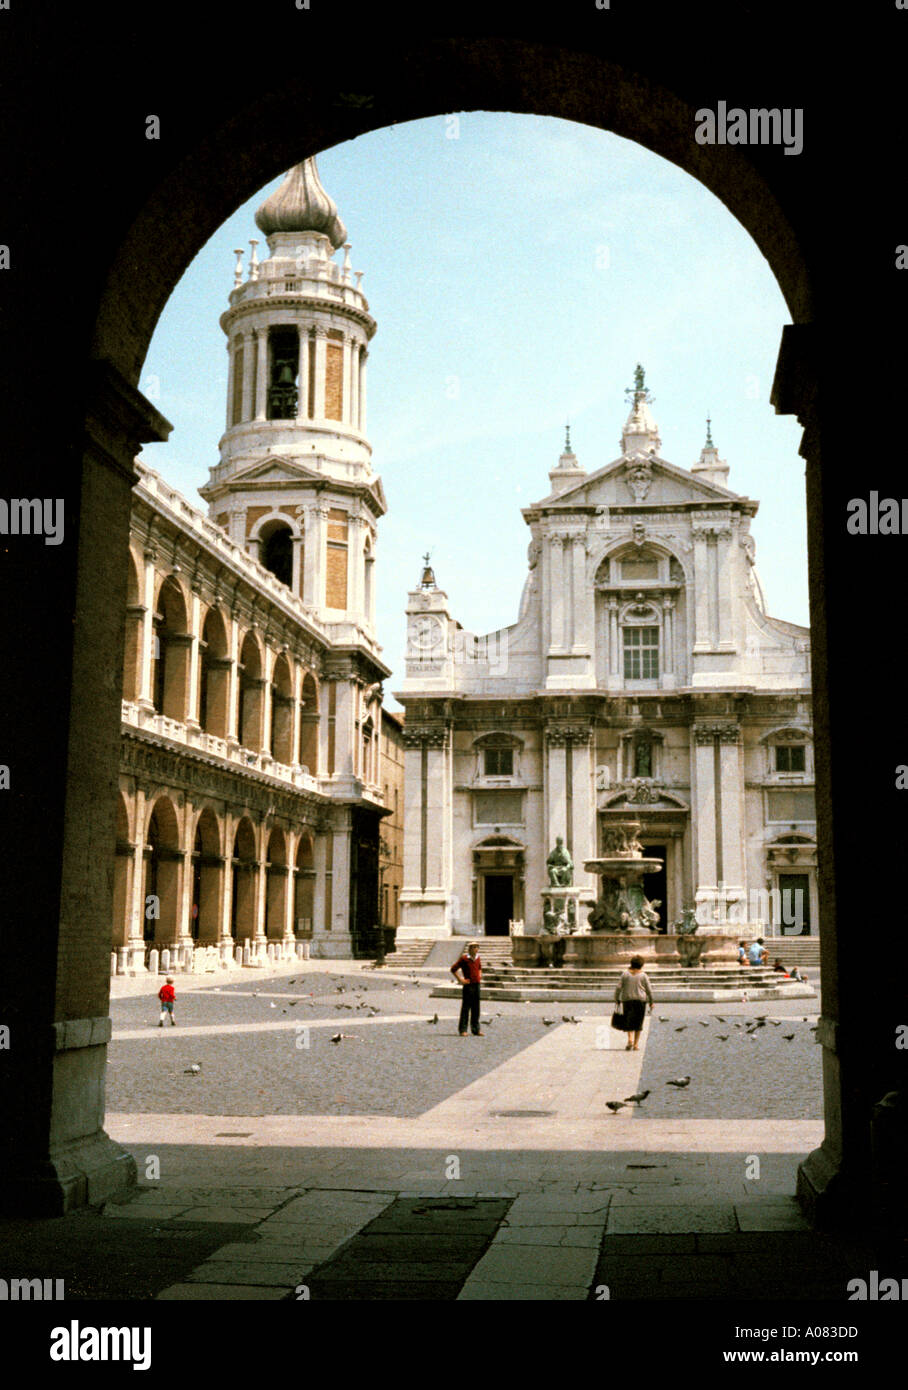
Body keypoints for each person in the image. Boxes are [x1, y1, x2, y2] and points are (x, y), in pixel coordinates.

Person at [614, 954, 654, 1052]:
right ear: (641, 965)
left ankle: (630, 1040)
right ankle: (636, 1044)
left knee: (628, 1021)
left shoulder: (625, 974)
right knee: (638, 1022)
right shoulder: (643, 975)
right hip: (640, 1000)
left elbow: (618, 988)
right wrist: (651, 1002)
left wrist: (617, 999)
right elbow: (649, 990)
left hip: (627, 1000)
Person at [451, 941, 483, 1037]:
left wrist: (479, 976)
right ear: (469, 949)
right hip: (468, 985)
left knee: (476, 1008)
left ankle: (476, 1029)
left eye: (477, 947)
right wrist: (460, 979)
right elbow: (453, 969)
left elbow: (480, 968)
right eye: (474, 947)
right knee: (466, 1008)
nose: (476, 949)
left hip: (476, 984)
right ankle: (463, 1029)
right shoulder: (464, 959)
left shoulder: (478, 958)